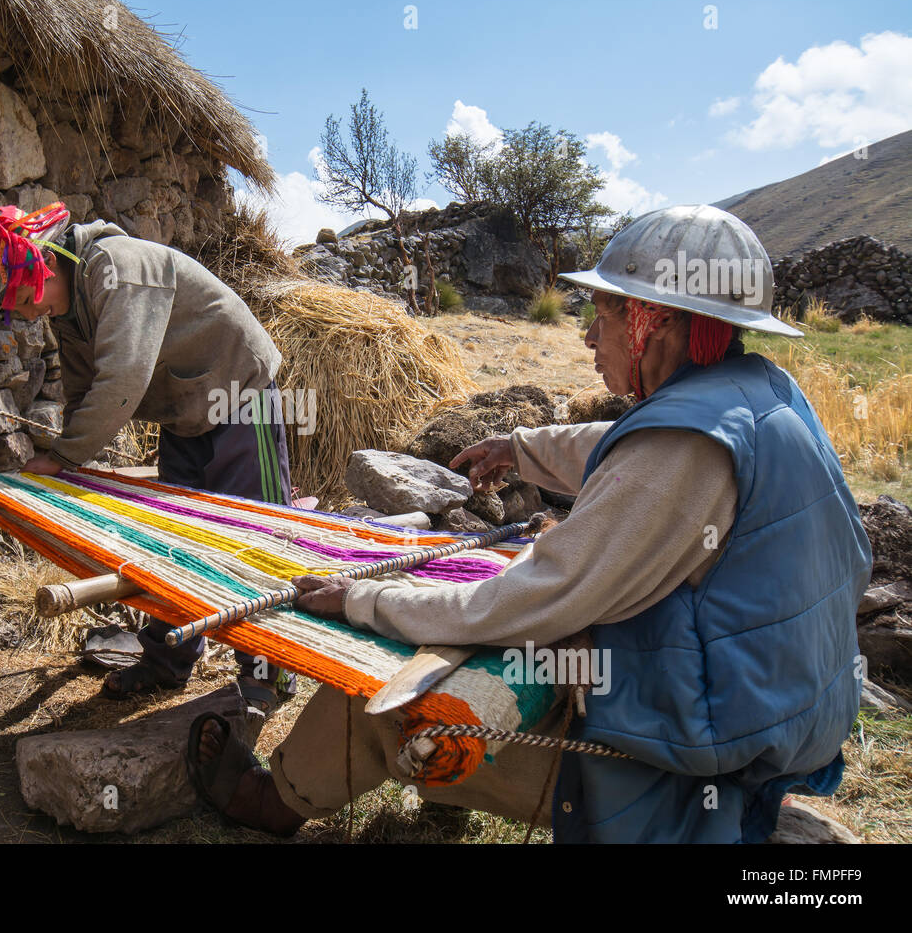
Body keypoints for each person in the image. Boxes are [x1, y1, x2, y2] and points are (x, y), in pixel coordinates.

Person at [189, 204, 872, 842]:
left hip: (684, 758)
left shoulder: (681, 450)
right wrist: (521, 449)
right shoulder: (764, 398)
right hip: (762, 722)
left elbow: (536, 595)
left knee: (390, 687)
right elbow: (627, 448)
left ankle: (269, 803)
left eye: (601, 313)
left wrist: (368, 599)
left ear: (651, 321)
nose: (585, 335)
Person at [0, 203, 296, 708]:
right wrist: (66, 455)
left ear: (42, 267)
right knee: (176, 543)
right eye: (15, 311)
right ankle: (167, 662)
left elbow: (123, 381)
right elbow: (83, 388)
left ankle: (270, 672)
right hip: (185, 412)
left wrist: (63, 456)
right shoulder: (71, 307)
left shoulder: (118, 269)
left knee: (258, 537)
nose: (26, 315)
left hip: (240, 396)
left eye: (22, 300)